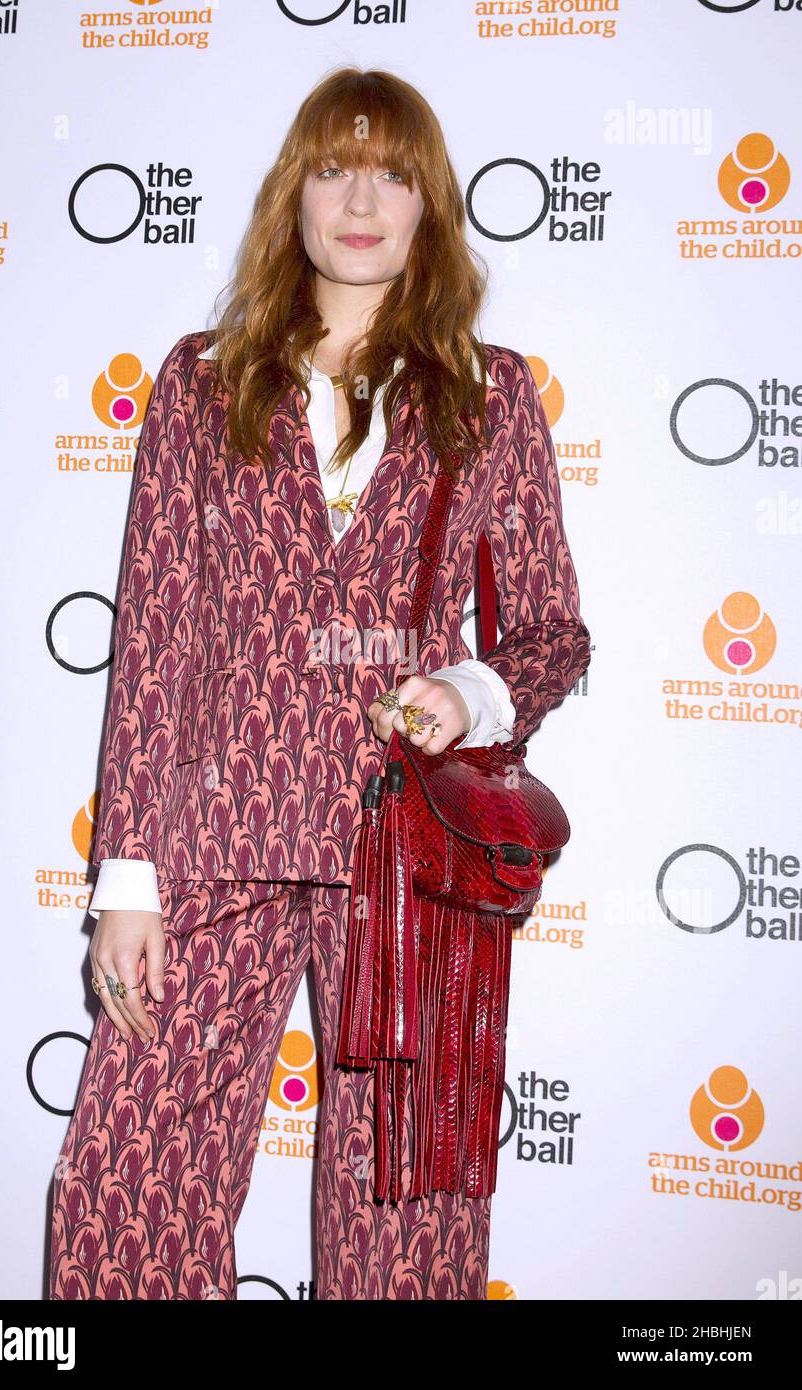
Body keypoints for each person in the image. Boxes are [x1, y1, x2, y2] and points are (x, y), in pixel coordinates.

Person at [48, 66, 591, 1301]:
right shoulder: (199, 382)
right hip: (212, 844)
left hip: (407, 859)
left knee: (407, 1206)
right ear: (292, 192)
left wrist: (469, 690)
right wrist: (126, 878)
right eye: (334, 167)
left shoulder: (491, 396)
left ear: (428, 205)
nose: (360, 198)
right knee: (129, 1185)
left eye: (392, 173)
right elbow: (158, 646)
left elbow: (551, 630)